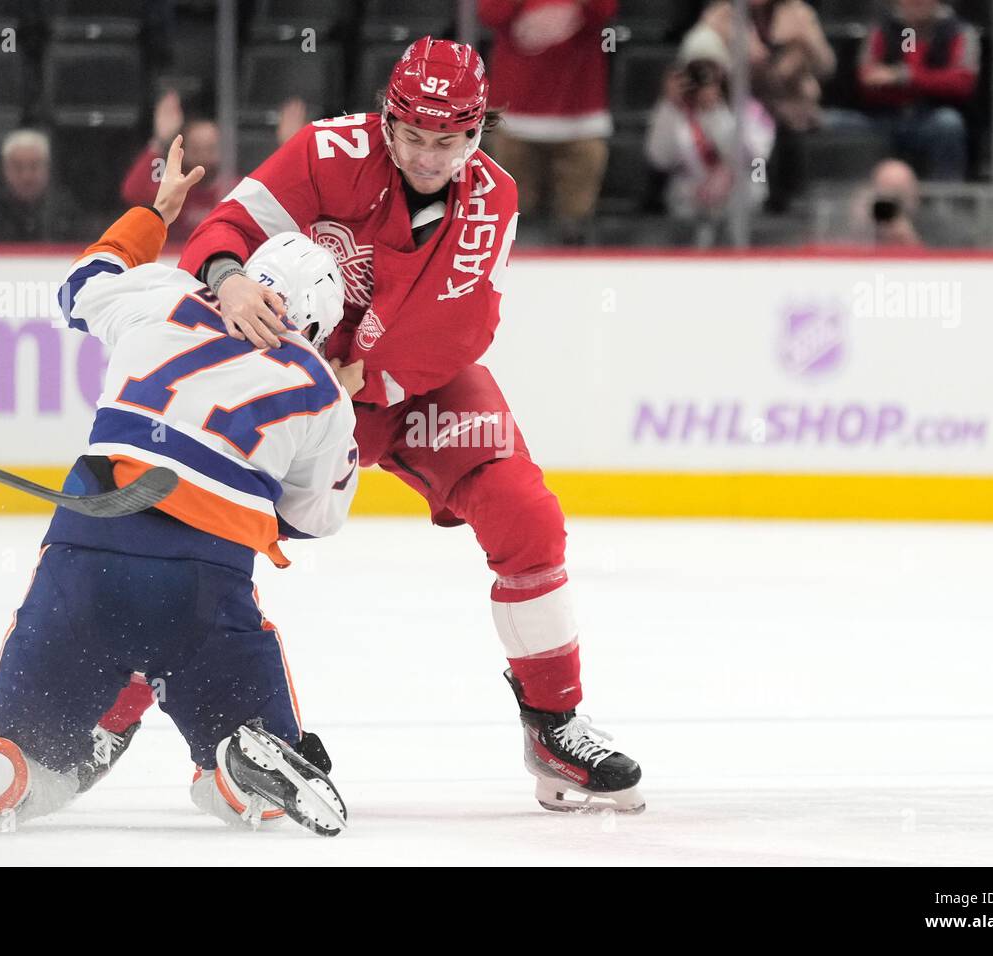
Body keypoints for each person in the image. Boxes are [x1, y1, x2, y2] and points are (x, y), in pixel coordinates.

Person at [164, 36, 642, 813]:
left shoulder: (494, 197)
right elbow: (225, 230)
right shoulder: (327, 151)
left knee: (526, 513)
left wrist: (358, 380)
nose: (426, 156)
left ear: (477, 132)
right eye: (412, 137)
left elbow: (459, 331)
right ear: (386, 120)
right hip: (295, 391)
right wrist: (228, 283)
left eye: (446, 141)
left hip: (416, 390)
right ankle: (147, 715)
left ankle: (554, 722)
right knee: (202, 538)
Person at [0, 137, 356, 837]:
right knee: (245, 773)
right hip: (204, 581)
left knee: (30, 759)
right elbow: (311, 520)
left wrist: (158, 211)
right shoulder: (321, 390)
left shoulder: (162, 293)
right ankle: (239, 762)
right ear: (318, 322)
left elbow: (79, 286)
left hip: (86, 546)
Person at [478, 0, 616, 243]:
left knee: (576, 222)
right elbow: (490, 12)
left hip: (580, 119)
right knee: (510, 220)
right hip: (516, 117)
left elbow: (605, 9)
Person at [645, 25, 776, 243]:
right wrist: (668, 106)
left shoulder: (748, 111)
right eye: (695, 71)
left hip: (742, 213)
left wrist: (716, 111)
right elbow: (659, 159)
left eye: (709, 70)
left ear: (723, 72)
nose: (702, 79)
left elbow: (754, 157)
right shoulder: (673, 113)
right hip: (686, 215)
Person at [701, 0, 833, 212]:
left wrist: (805, 45)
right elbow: (699, 61)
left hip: (789, 105)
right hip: (737, 105)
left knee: (781, 132)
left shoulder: (798, 14)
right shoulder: (720, 16)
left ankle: (779, 203)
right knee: (748, 135)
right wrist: (740, 58)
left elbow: (826, 66)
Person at [855, 0, 980, 181]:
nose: (916, 2)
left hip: (933, 116)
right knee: (836, 124)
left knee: (948, 124)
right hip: (883, 117)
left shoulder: (958, 31)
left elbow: (961, 83)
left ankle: (946, 200)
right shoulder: (890, 29)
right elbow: (868, 80)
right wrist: (909, 79)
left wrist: (904, 78)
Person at [121, 90, 224, 243]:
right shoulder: (175, 189)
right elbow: (134, 192)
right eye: (196, 149)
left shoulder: (232, 188)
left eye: (210, 149)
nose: (204, 156)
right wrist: (161, 142)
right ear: (183, 152)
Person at [0, 129, 82, 242]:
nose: (27, 177)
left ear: (47, 168)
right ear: (5, 169)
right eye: (17, 167)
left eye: (34, 166)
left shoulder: (66, 210)